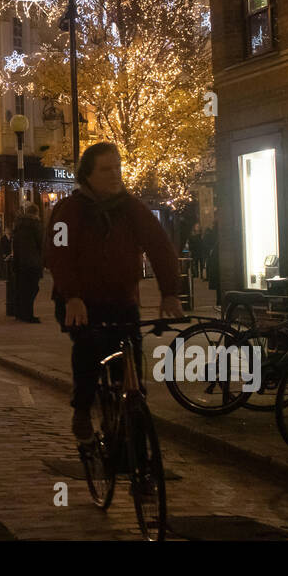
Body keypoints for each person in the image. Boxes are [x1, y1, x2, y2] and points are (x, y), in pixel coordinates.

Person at [45, 142, 181, 444]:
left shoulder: (131, 207)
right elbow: (58, 254)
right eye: (106, 169)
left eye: (117, 167)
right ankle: (81, 409)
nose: (115, 174)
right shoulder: (68, 210)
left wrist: (170, 292)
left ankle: (132, 425)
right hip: (81, 302)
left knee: (130, 360)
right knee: (89, 349)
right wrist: (73, 296)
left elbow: (160, 245)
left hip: (121, 300)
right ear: (88, 175)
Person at [12, 202, 45, 323]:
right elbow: (41, 242)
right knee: (32, 288)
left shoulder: (19, 226)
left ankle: (20, 313)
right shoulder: (35, 224)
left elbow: (15, 244)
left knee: (22, 288)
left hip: (20, 261)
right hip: (32, 261)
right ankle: (28, 314)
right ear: (36, 213)